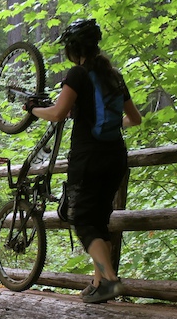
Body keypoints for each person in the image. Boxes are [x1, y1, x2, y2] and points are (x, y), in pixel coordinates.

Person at [24, 18, 142, 304]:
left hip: (88, 158)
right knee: (99, 220)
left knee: (83, 222)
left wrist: (33, 108)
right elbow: (134, 119)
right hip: (116, 157)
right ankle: (99, 282)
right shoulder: (114, 75)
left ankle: (111, 281)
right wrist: (110, 124)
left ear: (73, 49)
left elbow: (58, 113)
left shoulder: (78, 73)